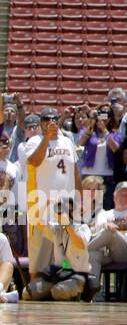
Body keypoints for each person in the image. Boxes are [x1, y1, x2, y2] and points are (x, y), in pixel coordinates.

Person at [21, 108, 79, 285]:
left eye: (54, 118)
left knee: (63, 260)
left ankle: (60, 294)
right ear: (41, 123)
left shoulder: (68, 142)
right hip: (41, 208)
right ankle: (34, 294)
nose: (50, 121)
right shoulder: (34, 141)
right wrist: (46, 138)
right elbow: (34, 161)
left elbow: (75, 171)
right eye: (46, 119)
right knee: (38, 264)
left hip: (65, 208)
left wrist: (80, 200)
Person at [87, 182, 127, 291]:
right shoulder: (105, 214)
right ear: (114, 196)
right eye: (121, 194)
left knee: (110, 232)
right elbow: (98, 228)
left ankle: (81, 251)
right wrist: (106, 225)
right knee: (93, 254)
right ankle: (92, 289)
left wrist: (108, 227)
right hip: (108, 253)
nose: (123, 197)